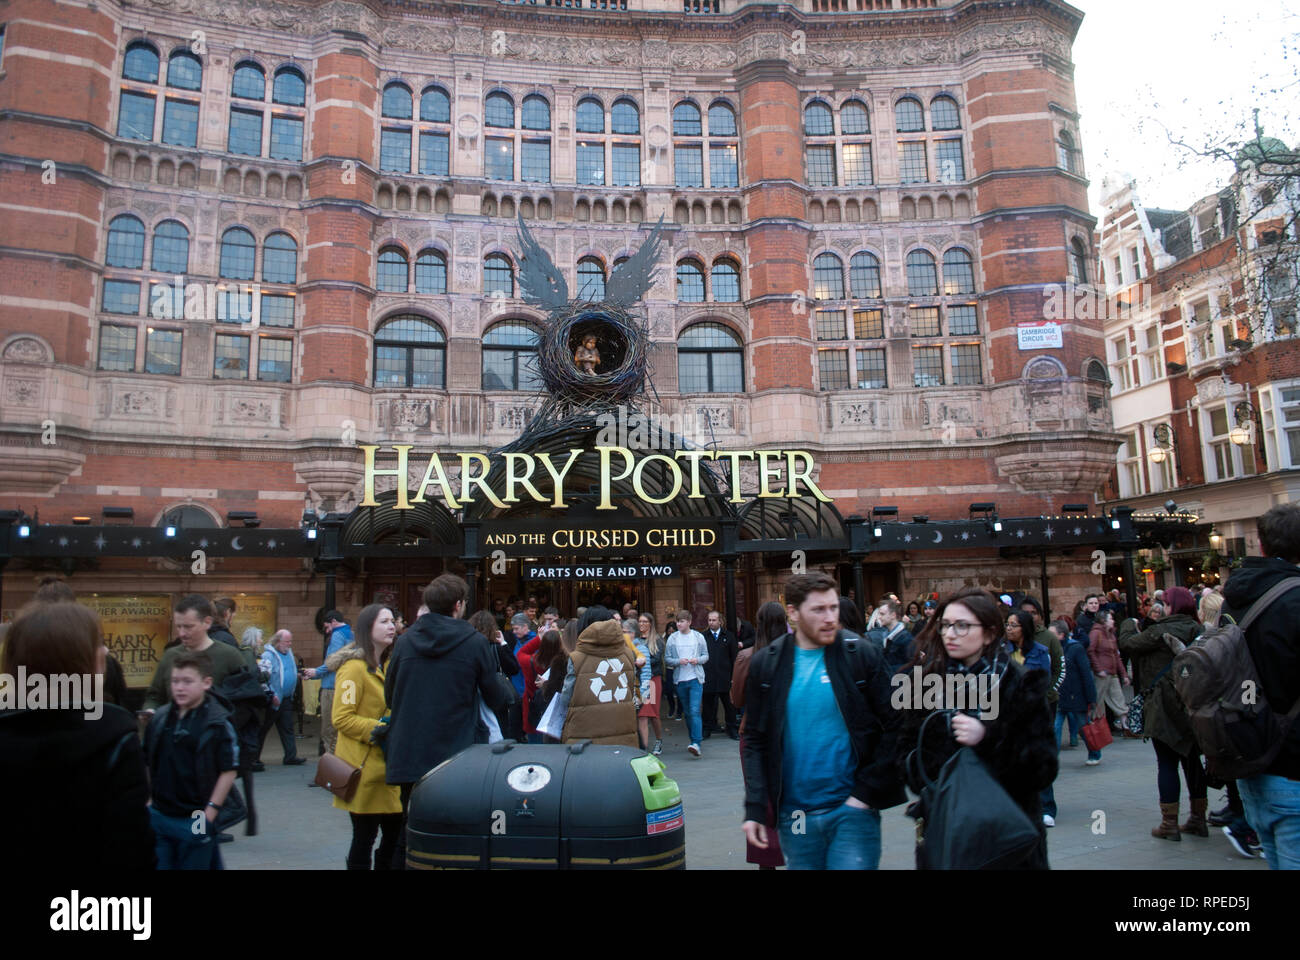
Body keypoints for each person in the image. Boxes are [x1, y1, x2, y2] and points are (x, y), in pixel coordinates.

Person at [741, 573, 904, 870]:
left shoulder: (861, 654)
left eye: (833, 608)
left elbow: (896, 725)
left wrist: (865, 794)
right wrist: (755, 809)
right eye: (819, 610)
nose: (830, 618)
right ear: (793, 612)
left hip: (851, 811)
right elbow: (755, 739)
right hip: (796, 815)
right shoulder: (767, 664)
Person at [896, 588, 1058, 869]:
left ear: (989, 632)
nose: (949, 634)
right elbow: (907, 758)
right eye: (945, 625)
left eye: (962, 626)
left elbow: (1042, 766)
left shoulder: (1019, 683)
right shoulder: (925, 682)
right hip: (946, 831)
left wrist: (987, 737)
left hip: (1005, 836)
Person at [0, 600, 155, 869]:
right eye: (98, 643)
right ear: (75, 659)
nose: (105, 650)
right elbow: (131, 846)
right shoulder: (113, 733)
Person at [385, 574, 507, 869]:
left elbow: (390, 695)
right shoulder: (474, 642)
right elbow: (495, 696)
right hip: (456, 754)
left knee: (409, 830)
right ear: (458, 605)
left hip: (409, 752)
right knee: (458, 833)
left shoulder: (405, 642)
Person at [1220, 503, 1300, 868]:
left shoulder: (1233, 600)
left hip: (1252, 759)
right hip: (1294, 763)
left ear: (1262, 546)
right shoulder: (1295, 600)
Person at [1118, 586, 1208, 842]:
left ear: (1172, 607)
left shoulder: (1158, 631)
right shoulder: (1198, 631)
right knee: (1192, 762)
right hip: (1193, 704)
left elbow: (1127, 644)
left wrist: (1128, 622)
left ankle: (1169, 823)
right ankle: (1198, 819)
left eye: (1166, 604)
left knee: (1167, 763)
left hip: (1162, 706)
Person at [143, 650, 239, 869]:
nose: (179, 687)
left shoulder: (217, 721)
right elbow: (146, 759)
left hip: (196, 815)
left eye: (187, 681)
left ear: (206, 683)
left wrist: (209, 813)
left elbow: (228, 769)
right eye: (175, 681)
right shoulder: (160, 718)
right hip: (160, 814)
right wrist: (148, 801)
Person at [330, 603, 402, 870]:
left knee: (395, 835)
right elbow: (342, 717)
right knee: (365, 837)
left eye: (392, 621)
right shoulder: (353, 669)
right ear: (366, 628)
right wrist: (381, 728)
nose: (391, 626)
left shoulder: (390, 663)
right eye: (384, 622)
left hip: (388, 767)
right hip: (363, 770)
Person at [731, 600, 789, 869]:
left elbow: (737, 698)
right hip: (791, 734)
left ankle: (767, 861)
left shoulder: (747, 657)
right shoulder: (798, 655)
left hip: (754, 735)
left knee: (761, 798)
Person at [142, 595, 247, 713]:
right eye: (178, 626)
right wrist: (150, 710)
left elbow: (245, 703)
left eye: (188, 627)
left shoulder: (230, 656)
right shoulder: (170, 655)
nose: (181, 633)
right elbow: (154, 696)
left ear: (207, 622)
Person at [556, 605, 640, 746]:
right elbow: (631, 690)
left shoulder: (577, 658)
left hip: (584, 735)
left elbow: (566, 698)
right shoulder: (629, 655)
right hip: (623, 731)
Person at [303, 610, 354, 755]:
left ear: (333, 622)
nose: (326, 631)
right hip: (344, 684)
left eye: (327, 627)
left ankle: (332, 765)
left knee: (328, 730)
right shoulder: (351, 634)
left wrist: (316, 672)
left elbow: (333, 661)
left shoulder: (337, 635)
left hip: (331, 688)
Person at [469, 609, 521, 741]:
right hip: (495, 696)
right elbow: (514, 668)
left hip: (473, 697)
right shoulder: (496, 647)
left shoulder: (467, 647)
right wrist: (503, 643)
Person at [665, 610, 709, 756]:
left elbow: (705, 656)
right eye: (678, 621)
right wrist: (678, 661)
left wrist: (697, 660)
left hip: (696, 678)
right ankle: (693, 740)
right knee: (688, 712)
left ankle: (696, 742)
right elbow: (668, 659)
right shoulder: (672, 638)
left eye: (682, 621)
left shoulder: (698, 637)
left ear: (689, 622)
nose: (679, 624)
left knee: (695, 709)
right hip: (680, 680)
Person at [1051, 619, 1097, 758]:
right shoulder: (1050, 650)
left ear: (1061, 635)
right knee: (1055, 727)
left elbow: (1086, 674)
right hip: (1059, 694)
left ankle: (1094, 753)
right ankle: (1053, 758)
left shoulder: (1075, 648)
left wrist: (1091, 698)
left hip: (1076, 695)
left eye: (1052, 634)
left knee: (1084, 727)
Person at [257, 630, 304, 765]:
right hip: (274, 699)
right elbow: (263, 678)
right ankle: (254, 758)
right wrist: (271, 694)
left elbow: (289, 671)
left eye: (290, 641)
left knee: (287, 727)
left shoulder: (288, 653)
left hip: (286, 698)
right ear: (278, 642)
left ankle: (290, 756)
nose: (289, 644)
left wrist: (298, 675)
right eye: (287, 641)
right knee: (263, 728)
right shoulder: (268, 655)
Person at [1087, 609, 1130, 734]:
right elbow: (1091, 651)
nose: (1113, 621)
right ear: (1103, 621)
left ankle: (1126, 726)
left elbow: (1116, 656)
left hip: (1112, 672)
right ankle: (1097, 728)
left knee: (1118, 698)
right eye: (1110, 619)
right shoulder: (1096, 633)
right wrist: (1098, 669)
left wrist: (1124, 675)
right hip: (1102, 673)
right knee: (1099, 700)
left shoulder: (1111, 634)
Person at [701, 610, 739, 740]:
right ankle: (706, 729)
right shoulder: (703, 636)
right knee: (707, 707)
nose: (711, 623)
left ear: (720, 621)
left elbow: (734, 657)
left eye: (713, 620)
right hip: (708, 677)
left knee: (729, 706)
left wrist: (734, 677)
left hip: (725, 678)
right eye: (709, 620)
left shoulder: (729, 636)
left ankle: (732, 729)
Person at [635, 613, 665, 755]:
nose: (642, 624)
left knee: (652, 713)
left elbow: (657, 659)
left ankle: (659, 740)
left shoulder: (657, 640)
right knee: (642, 714)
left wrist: (641, 662)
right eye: (640, 621)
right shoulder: (635, 640)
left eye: (645, 622)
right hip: (638, 680)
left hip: (651, 680)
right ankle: (644, 747)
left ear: (650, 624)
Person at [872, 600, 914, 673]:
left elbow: (912, 665)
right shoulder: (886, 635)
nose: (879, 617)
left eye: (882, 614)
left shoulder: (905, 637)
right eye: (879, 614)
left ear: (893, 615)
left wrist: (888, 671)